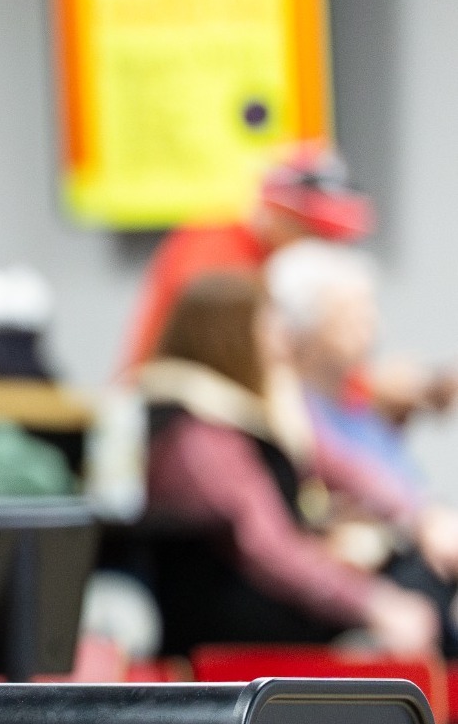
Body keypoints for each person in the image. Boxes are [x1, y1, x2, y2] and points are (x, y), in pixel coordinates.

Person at [140, 272, 441, 657]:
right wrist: (373, 603)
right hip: (237, 621)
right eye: (267, 324)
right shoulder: (201, 435)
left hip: (262, 600)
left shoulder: (235, 411)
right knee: (421, 584)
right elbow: (268, 549)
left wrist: (422, 513)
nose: (281, 340)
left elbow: (339, 466)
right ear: (229, 336)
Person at [265, 240, 458, 583]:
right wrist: (421, 516)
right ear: (305, 326)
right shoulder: (289, 401)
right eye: (351, 316)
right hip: (389, 559)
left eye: (369, 312)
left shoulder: (360, 397)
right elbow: (342, 470)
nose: (371, 329)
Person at [122, 143, 371, 370]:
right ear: (277, 216)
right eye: (315, 235)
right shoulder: (217, 251)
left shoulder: (280, 265)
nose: (323, 254)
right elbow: (218, 353)